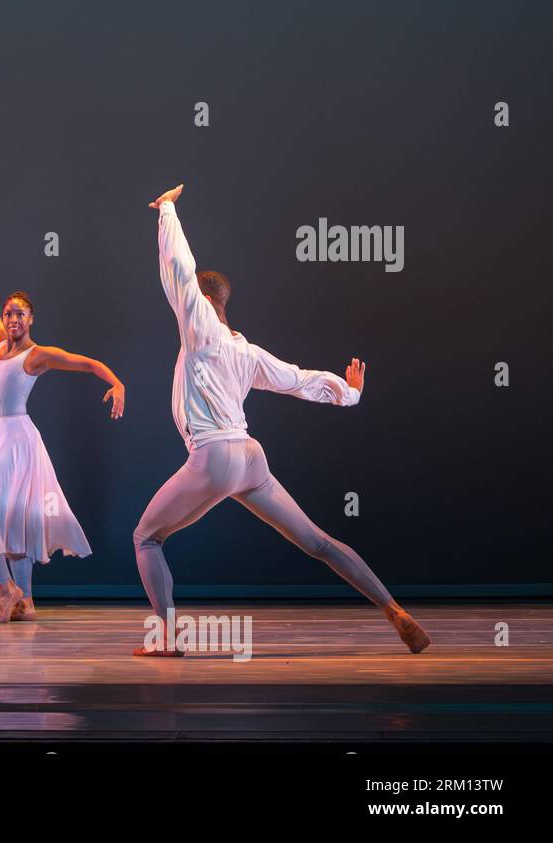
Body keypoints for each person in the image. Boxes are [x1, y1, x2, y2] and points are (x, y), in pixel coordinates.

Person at [132, 185, 430, 656]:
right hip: (250, 458)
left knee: (146, 537)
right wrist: (348, 393)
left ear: (207, 304)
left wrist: (167, 211)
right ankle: (394, 609)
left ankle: (167, 641)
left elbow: (180, 274)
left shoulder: (202, 330)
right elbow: (300, 380)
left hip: (213, 456)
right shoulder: (246, 350)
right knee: (319, 543)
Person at [0, 260, 125, 622]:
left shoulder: (37, 356)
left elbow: (85, 363)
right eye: (8, 314)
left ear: (31, 319)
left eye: (19, 314)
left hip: (18, 440)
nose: (12, 319)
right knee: (15, 519)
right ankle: (27, 603)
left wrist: (117, 384)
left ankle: (7, 589)